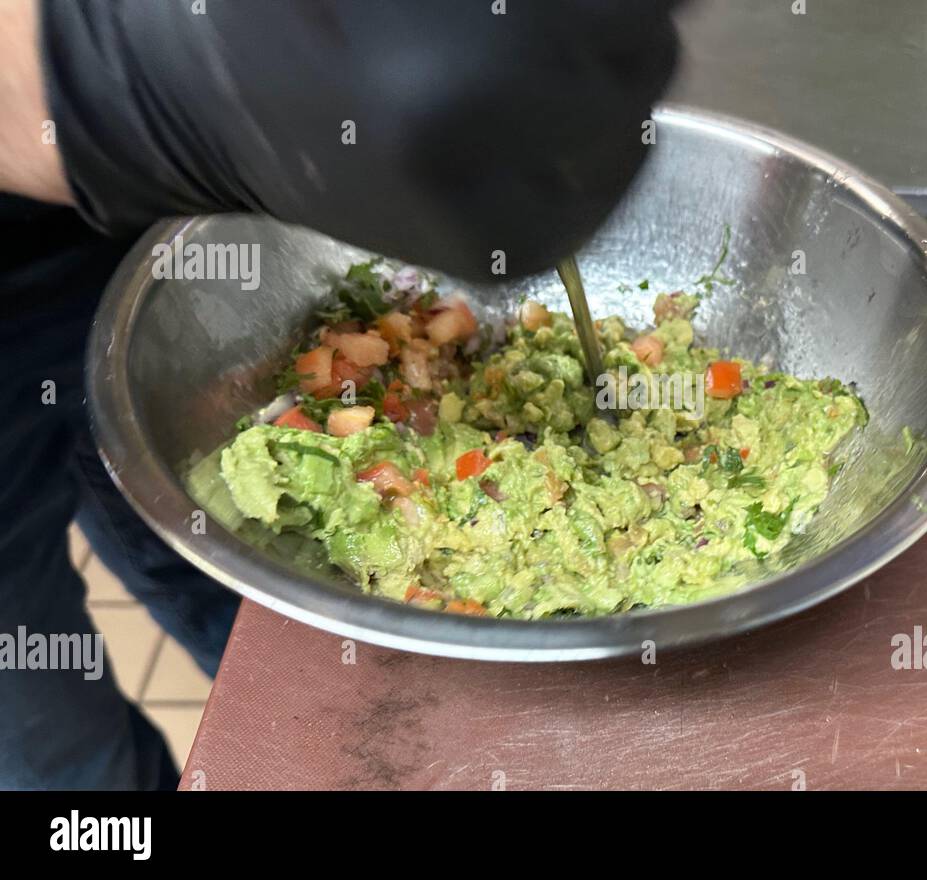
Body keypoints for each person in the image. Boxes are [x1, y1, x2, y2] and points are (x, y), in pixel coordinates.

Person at [0, 0, 680, 789]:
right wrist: (115, 72)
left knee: (184, 550)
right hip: (98, 117)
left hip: (152, 188)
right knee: (49, 740)